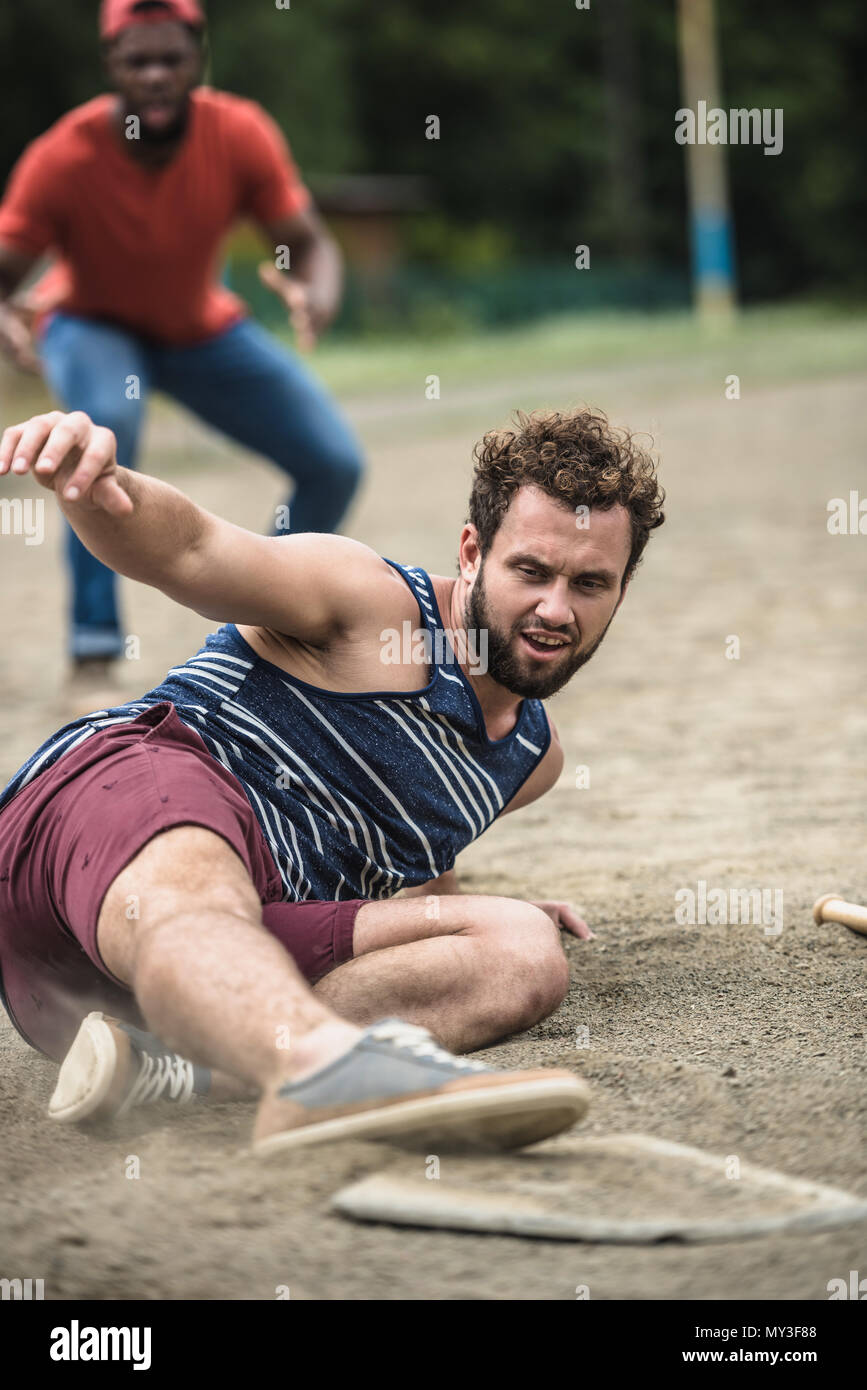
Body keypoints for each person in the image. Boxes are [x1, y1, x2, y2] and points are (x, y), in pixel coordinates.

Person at [0, 404, 664, 1154]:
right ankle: (314, 1070)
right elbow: (190, 550)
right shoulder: (367, 601)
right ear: (473, 552)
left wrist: (451, 919)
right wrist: (101, 483)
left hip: (102, 999)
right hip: (111, 823)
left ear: (621, 590)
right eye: (531, 571)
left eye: (589, 583)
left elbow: (412, 840)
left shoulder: (531, 764)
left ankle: (176, 1071)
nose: (554, 609)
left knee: (520, 947)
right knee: (197, 879)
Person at [0, 0, 363, 706]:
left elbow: (310, 242)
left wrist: (314, 292)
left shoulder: (240, 132)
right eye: (139, 61)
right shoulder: (65, 155)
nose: (157, 76)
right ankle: (96, 648)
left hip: (201, 330)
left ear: (199, 58)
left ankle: (265, 623)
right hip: (92, 324)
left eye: (172, 59)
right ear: (112, 67)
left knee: (334, 463)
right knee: (101, 425)